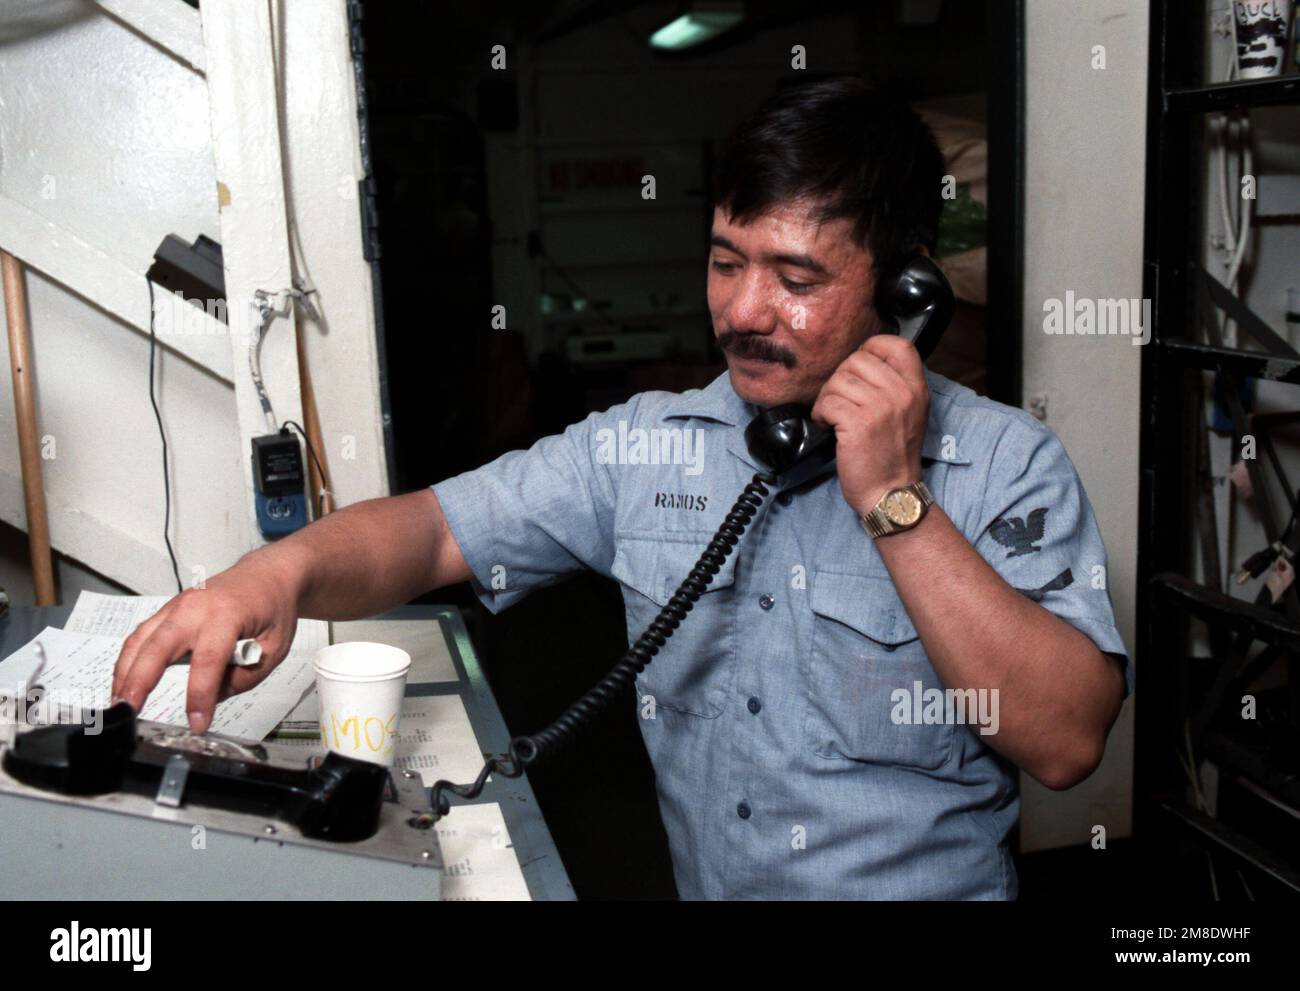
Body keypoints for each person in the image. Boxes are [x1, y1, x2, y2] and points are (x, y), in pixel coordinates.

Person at [113, 76, 1130, 900]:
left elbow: (1064, 738)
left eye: (796, 279)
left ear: (908, 287)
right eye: (725, 262)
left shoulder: (1005, 463)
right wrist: (273, 574)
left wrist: (894, 500)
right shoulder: (649, 446)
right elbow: (429, 533)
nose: (742, 309)